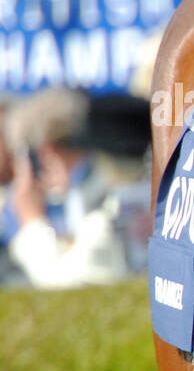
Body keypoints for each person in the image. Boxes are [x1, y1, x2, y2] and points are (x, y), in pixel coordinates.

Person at [5, 88, 130, 290]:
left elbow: (64, 282)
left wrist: (31, 220)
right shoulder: (78, 193)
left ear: (46, 151)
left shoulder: (103, 198)